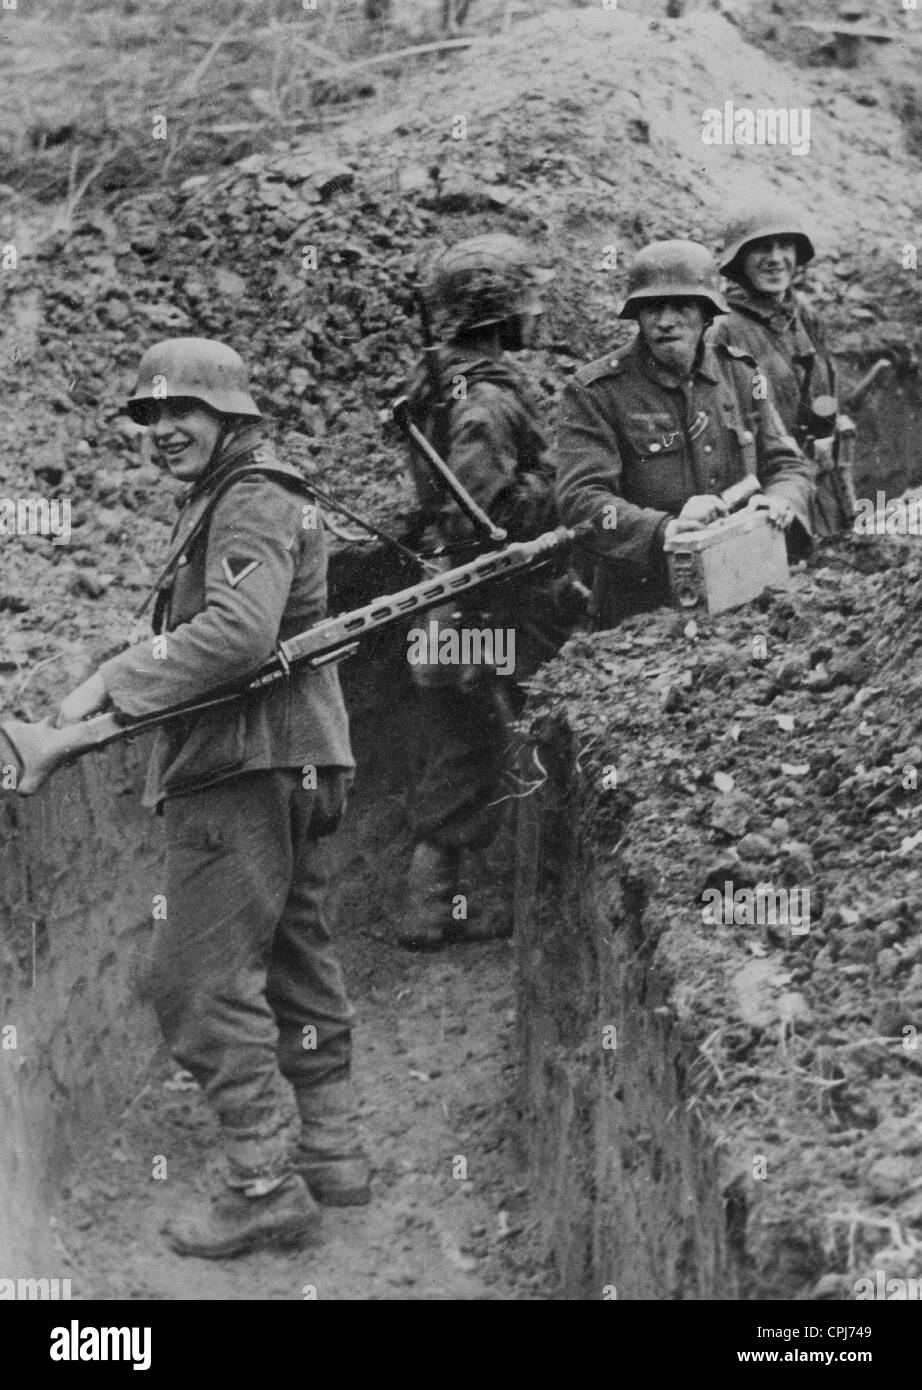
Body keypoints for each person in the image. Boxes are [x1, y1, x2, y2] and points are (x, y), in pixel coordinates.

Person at [54, 338, 369, 1258]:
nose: (161, 431)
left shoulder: (250, 497)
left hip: (245, 764)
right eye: (149, 415)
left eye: (182, 412)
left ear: (232, 416)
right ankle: (333, 1148)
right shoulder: (249, 493)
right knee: (294, 945)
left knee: (191, 977)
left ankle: (264, 1183)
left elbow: (235, 634)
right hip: (299, 751)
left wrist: (114, 676)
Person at [399, 233, 572, 950]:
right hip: (487, 596)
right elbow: (483, 510)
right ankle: (521, 907)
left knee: (465, 747)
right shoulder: (486, 400)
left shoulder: (441, 380)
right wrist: (554, 484)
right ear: (501, 313)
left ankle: (432, 907)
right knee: (533, 737)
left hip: (454, 592)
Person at [555, 240, 817, 627]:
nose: (665, 321)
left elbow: (787, 464)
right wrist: (664, 528)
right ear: (637, 315)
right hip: (642, 611)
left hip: (745, 589)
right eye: (652, 307)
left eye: (681, 306)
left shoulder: (741, 374)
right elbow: (581, 500)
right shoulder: (596, 391)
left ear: (707, 313)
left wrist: (780, 502)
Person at [710, 203, 863, 532]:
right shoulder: (722, 330)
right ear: (738, 260)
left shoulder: (804, 315)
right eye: (762, 248)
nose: (776, 258)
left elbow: (826, 394)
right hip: (768, 500)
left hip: (821, 489)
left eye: (785, 246)